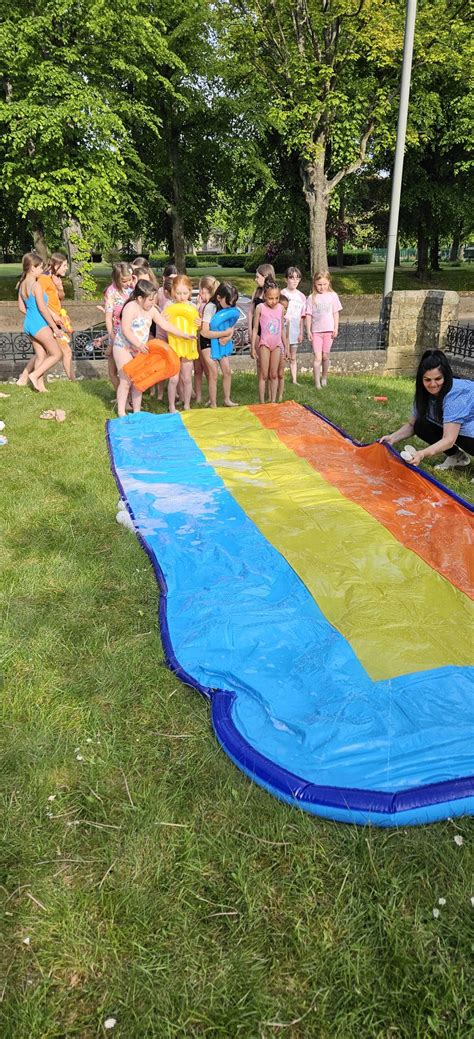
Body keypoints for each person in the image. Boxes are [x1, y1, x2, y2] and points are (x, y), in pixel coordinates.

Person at [380, 350, 474, 470]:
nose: (433, 384)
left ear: (446, 376)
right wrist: (392, 438)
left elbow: (449, 439)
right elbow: (412, 425)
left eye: (438, 378)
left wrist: (422, 454)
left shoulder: (455, 394)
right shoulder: (423, 392)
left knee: (465, 433)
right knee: (420, 425)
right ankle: (457, 457)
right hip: (460, 430)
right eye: (427, 380)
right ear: (421, 379)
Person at [113, 279, 194, 418]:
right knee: (126, 380)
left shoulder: (152, 310)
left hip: (140, 349)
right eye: (150, 300)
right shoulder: (130, 308)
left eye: (154, 299)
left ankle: (137, 412)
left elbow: (165, 325)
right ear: (140, 298)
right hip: (124, 347)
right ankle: (121, 411)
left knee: (138, 381)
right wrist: (138, 344)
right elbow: (126, 330)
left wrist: (184, 335)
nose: (152, 303)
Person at [16, 252, 75, 384]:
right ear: (33, 268)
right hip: (43, 322)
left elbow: (21, 307)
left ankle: (36, 384)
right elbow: (42, 307)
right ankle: (34, 375)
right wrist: (53, 323)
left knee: (41, 355)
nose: (42, 270)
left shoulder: (23, 284)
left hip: (33, 323)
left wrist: (59, 287)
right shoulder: (38, 283)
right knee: (58, 353)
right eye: (40, 267)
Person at [163, 275, 201, 413]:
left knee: (187, 377)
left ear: (190, 292)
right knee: (173, 378)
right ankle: (172, 406)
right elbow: (163, 323)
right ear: (173, 291)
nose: (182, 296)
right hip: (174, 346)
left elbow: (197, 327)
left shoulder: (192, 307)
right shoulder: (169, 306)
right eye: (178, 293)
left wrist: (199, 324)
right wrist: (163, 318)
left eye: (185, 293)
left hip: (188, 346)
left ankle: (187, 404)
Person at [200, 282, 238, 408]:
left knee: (227, 371)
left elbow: (231, 326)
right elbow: (205, 332)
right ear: (219, 298)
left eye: (233, 302)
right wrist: (224, 334)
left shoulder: (229, 306)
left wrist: (228, 337)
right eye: (229, 302)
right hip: (207, 340)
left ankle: (227, 399)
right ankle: (213, 403)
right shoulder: (210, 307)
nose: (231, 305)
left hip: (221, 338)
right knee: (213, 372)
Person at [251, 278, 288, 404]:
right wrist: (252, 347)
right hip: (264, 344)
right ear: (265, 296)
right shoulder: (260, 308)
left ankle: (273, 401)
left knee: (274, 374)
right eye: (270, 298)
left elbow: (281, 329)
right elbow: (255, 328)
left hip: (277, 344)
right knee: (264, 374)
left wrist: (286, 348)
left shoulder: (280, 308)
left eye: (276, 298)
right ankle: (262, 402)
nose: (274, 301)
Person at [304, 270, 342, 389]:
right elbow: (308, 315)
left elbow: (335, 313)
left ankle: (324, 377)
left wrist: (336, 328)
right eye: (319, 284)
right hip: (316, 332)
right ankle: (317, 383)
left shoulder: (333, 296)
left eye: (324, 284)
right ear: (315, 284)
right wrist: (308, 330)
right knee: (317, 357)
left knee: (325, 356)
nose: (322, 287)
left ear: (329, 282)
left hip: (329, 331)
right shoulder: (312, 298)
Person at [194, 276, 219, 404]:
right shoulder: (201, 304)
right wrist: (197, 306)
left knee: (209, 370)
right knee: (197, 370)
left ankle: (210, 397)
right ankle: (198, 397)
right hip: (197, 339)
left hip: (205, 340)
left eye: (202, 291)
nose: (200, 294)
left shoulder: (212, 306)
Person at [281, 266, 306, 386]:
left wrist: (301, 332)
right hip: (283, 330)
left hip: (295, 330)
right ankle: (279, 378)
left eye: (297, 278)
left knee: (293, 357)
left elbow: (302, 317)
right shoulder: (282, 293)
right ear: (286, 279)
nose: (295, 280)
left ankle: (294, 380)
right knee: (282, 356)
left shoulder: (302, 296)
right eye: (291, 278)